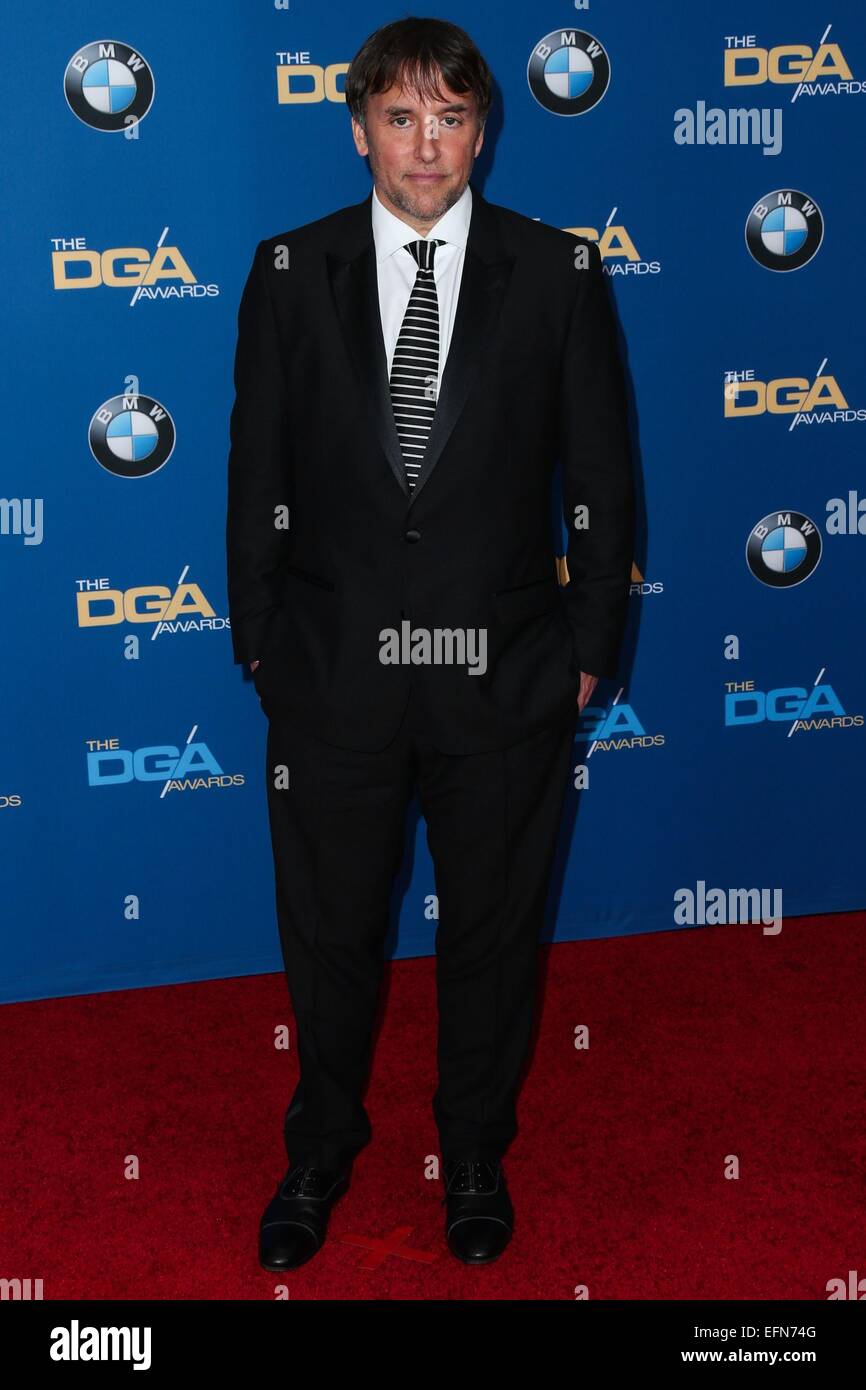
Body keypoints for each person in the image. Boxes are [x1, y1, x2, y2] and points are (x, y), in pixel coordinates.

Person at [226, 15, 635, 1271]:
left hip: (501, 678)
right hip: (336, 676)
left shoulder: (555, 272)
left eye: (448, 117)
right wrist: (261, 646)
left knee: (492, 934)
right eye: (398, 117)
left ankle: (470, 1151)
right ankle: (319, 1149)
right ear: (358, 131)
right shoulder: (288, 271)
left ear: (480, 132)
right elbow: (256, 475)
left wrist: (585, 651)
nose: (424, 144)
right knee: (331, 929)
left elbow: (603, 481)